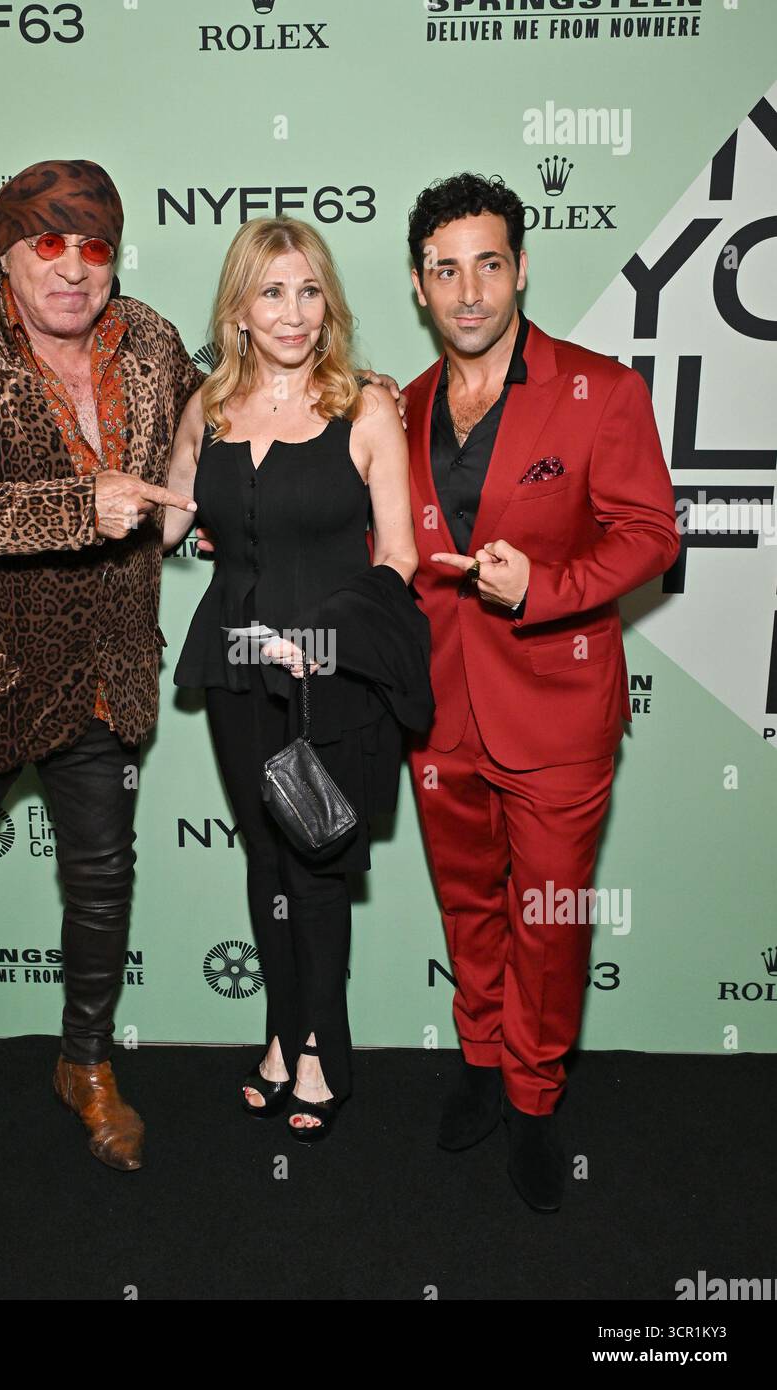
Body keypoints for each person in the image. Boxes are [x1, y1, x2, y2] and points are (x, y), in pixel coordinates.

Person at [0, 158, 205, 1217]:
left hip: (108, 668)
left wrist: (343, 393)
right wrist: (78, 507)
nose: (72, 267)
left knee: (103, 880)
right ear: (5, 251)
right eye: (48, 243)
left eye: (95, 244)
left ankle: (86, 1062)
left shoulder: (153, 342)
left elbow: (226, 420)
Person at [402, 173, 680, 1210]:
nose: (468, 291)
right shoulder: (404, 404)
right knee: (469, 900)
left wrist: (546, 589)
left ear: (521, 268)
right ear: (420, 285)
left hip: (556, 710)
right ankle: (480, 1056)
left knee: (549, 916)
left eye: (487, 263)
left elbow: (653, 534)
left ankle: (533, 1096)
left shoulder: (598, 389)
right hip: (435, 708)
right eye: (445, 268)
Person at [165, 217, 433, 1143]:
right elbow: (162, 524)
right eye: (272, 291)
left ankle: (325, 1052)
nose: (292, 311)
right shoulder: (207, 408)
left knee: (316, 862)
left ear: (330, 305)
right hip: (237, 667)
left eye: (309, 291)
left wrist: (319, 635)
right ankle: (281, 1034)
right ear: (238, 307)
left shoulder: (364, 407)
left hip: (330, 675)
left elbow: (397, 557)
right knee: (266, 861)